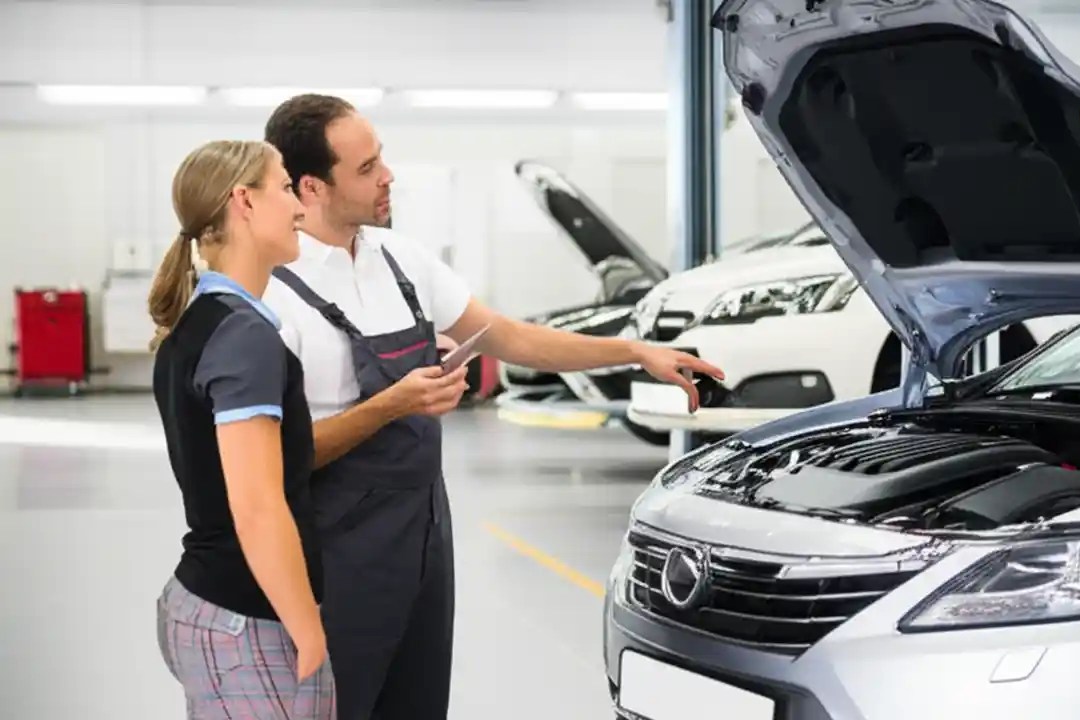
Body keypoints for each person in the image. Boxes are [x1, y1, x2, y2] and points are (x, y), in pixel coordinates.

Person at [260, 93, 724, 720]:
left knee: (417, 703)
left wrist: (634, 351)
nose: (388, 176)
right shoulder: (273, 293)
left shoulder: (402, 261)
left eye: (383, 159)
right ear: (311, 187)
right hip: (337, 554)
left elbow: (515, 337)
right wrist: (395, 405)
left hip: (424, 537)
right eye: (367, 168)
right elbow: (277, 460)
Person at [150, 139, 336, 719]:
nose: (300, 208)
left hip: (211, 607)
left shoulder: (201, 323)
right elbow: (257, 505)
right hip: (247, 623)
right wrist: (308, 631)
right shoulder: (243, 337)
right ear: (244, 202)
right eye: (285, 188)